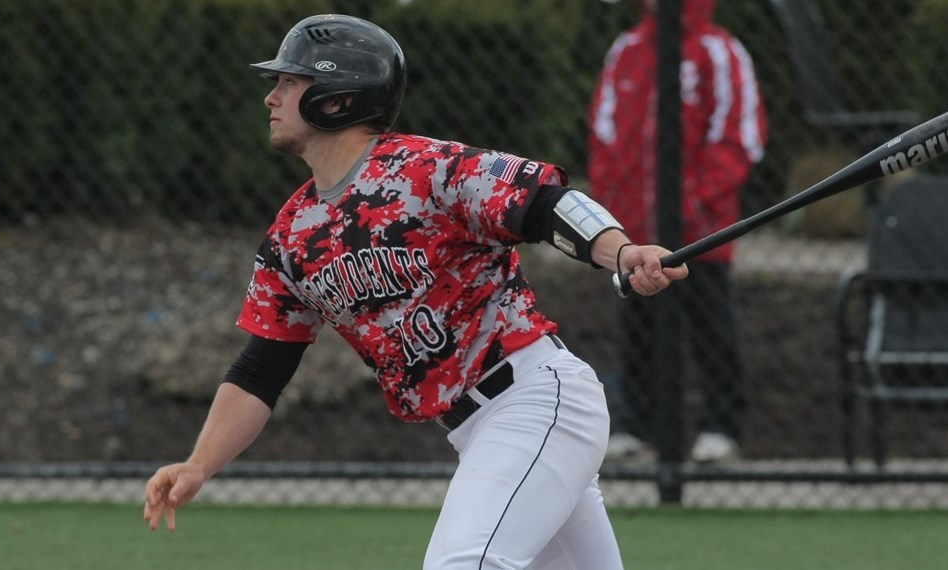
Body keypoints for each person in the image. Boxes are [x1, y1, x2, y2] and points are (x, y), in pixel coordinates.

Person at [143, 13, 687, 570]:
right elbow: (261, 368)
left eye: (289, 81)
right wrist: (199, 465)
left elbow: (544, 203)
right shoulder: (291, 234)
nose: (271, 97)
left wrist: (621, 251)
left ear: (336, 98)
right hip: (481, 430)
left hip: (533, 399)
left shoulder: (427, 169)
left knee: (463, 563)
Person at [587, 0, 768, 463]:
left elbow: (739, 135)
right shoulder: (626, 50)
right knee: (639, 326)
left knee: (712, 325)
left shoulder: (720, 51)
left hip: (701, 234)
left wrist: (692, 199)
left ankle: (720, 428)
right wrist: (614, 199)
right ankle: (638, 427)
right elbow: (603, 131)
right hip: (636, 233)